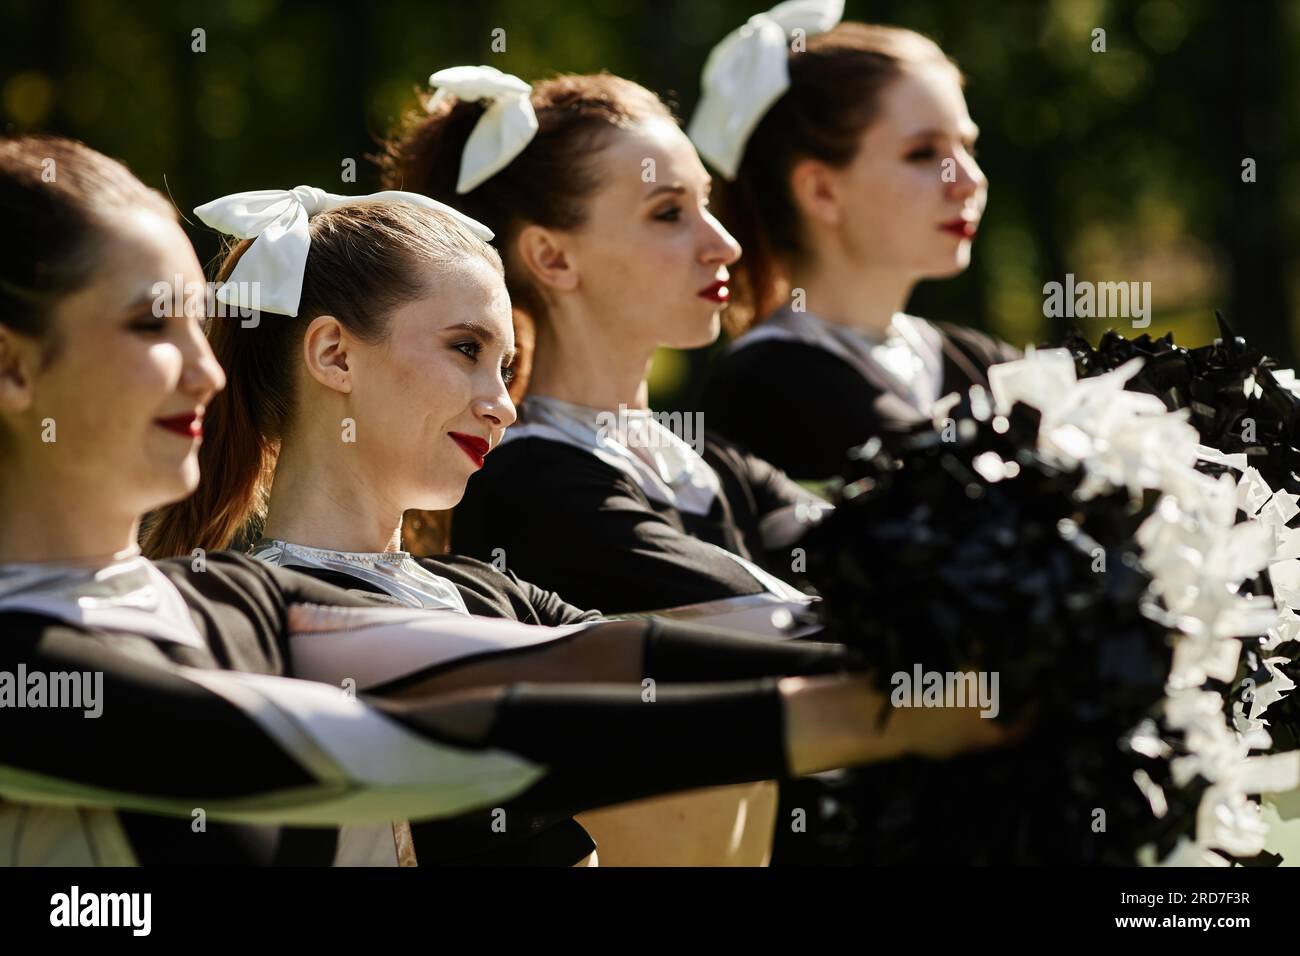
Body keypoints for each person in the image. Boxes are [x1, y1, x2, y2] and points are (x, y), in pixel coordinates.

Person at [0, 135, 1010, 865]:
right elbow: (367, 750)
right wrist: (867, 715)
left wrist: (941, 657)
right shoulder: (28, 664)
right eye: (149, 327)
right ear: (12, 369)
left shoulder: (227, 600)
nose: (203, 373)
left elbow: (581, 660)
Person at [381, 66, 826, 629]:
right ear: (553, 258)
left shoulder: (706, 461)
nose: (725, 244)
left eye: (706, 204)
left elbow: (893, 553)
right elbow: (802, 632)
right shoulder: (533, 485)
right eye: (669, 213)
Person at [694, 4, 1020, 483]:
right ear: (822, 191)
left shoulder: (972, 357)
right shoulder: (771, 385)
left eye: (967, 147)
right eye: (923, 153)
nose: (969, 181)